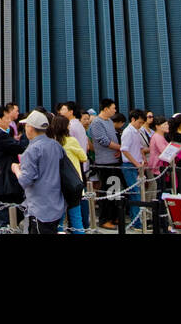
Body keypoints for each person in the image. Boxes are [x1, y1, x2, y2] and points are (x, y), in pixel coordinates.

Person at [12, 110, 65, 233]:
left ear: (30, 128)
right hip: (56, 204)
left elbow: (25, 181)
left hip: (39, 208)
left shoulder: (31, 150)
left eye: (26, 126)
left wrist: (16, 169)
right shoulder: (55, 145)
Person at [49, 112, 87, 233]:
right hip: (72, 183)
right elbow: (84, 157)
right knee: (76, 218)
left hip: (56, 184)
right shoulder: (71, 141)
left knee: (59, 219)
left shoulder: (50, 142)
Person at [89, 98, 122, 228]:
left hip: (114, 160)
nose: (115, 110)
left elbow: (112, 138)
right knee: (106, 191)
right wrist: (120, 148)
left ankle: (114, 216)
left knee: (115, 190)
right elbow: (103, 140)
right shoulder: (97, 122)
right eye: (113, 108)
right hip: (104, 162)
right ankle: (104, 219)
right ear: (106, 108)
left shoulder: (109, 121)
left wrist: (119, 150)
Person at [118, 109, 148, 229]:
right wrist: (136, 163)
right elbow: (124, 149)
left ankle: (136, 220)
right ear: (133, 119)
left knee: (136, 192)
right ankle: (136, 222)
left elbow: (140, 148)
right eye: (139, 122)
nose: (140, 125)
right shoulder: (128, 132)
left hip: (136, 165)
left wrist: (143, 159)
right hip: (129, 165)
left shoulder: (137, 131)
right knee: (135, 193)